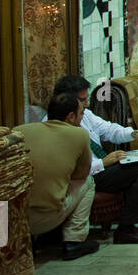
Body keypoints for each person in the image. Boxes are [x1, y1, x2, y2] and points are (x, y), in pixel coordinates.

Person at [50, 75, 138, 243]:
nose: (87, 104)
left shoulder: (84, 115)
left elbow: (108, 128)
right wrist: (104, 162)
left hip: (102, 165)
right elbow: (72, 169)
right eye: (83, 100)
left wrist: (134, 134)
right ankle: (126, 228)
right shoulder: (56, 128)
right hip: (90, 175)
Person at [16, 92, 98, 261]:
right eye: (81, 113)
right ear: (70, 116)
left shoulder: (20, 130)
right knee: (88, 182)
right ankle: (74, 241)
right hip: (47, 218)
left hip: (16, 218)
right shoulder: (80, 134)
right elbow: (81, 174)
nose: (83, 117)